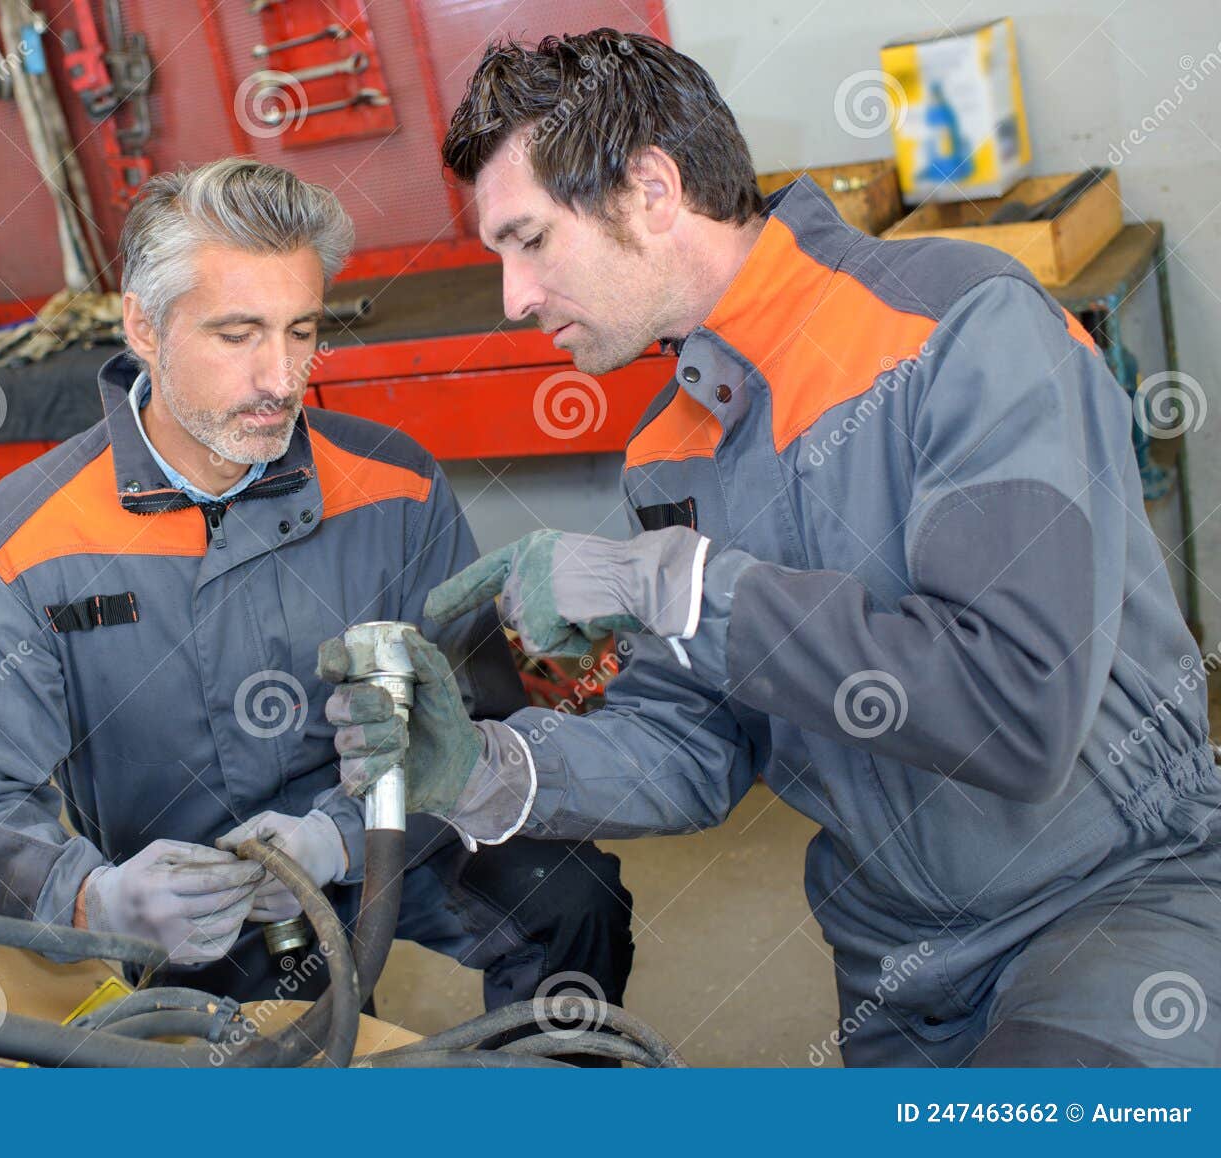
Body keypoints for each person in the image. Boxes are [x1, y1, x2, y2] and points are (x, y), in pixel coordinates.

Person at [319, 31, 1221, 1066]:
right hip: (894, 954)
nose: (514, 299)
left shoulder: (956, 326)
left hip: (1113, 904)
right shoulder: (670, 454)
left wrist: (679, 586)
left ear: (650, 189)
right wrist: (489, 769)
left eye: (529, 240)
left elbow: (1018, 708)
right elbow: (698, 743)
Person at [0, 158, 633, 1020]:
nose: (282, 379)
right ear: (143, 326)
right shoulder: (30, 540)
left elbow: (472, 714)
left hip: (389, 837)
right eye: (237, 334)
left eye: (301, 331)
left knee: (573, 896)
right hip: (191, 901)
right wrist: (92, 899)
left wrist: (335, 839)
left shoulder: (394, 485)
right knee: (241, 1066)